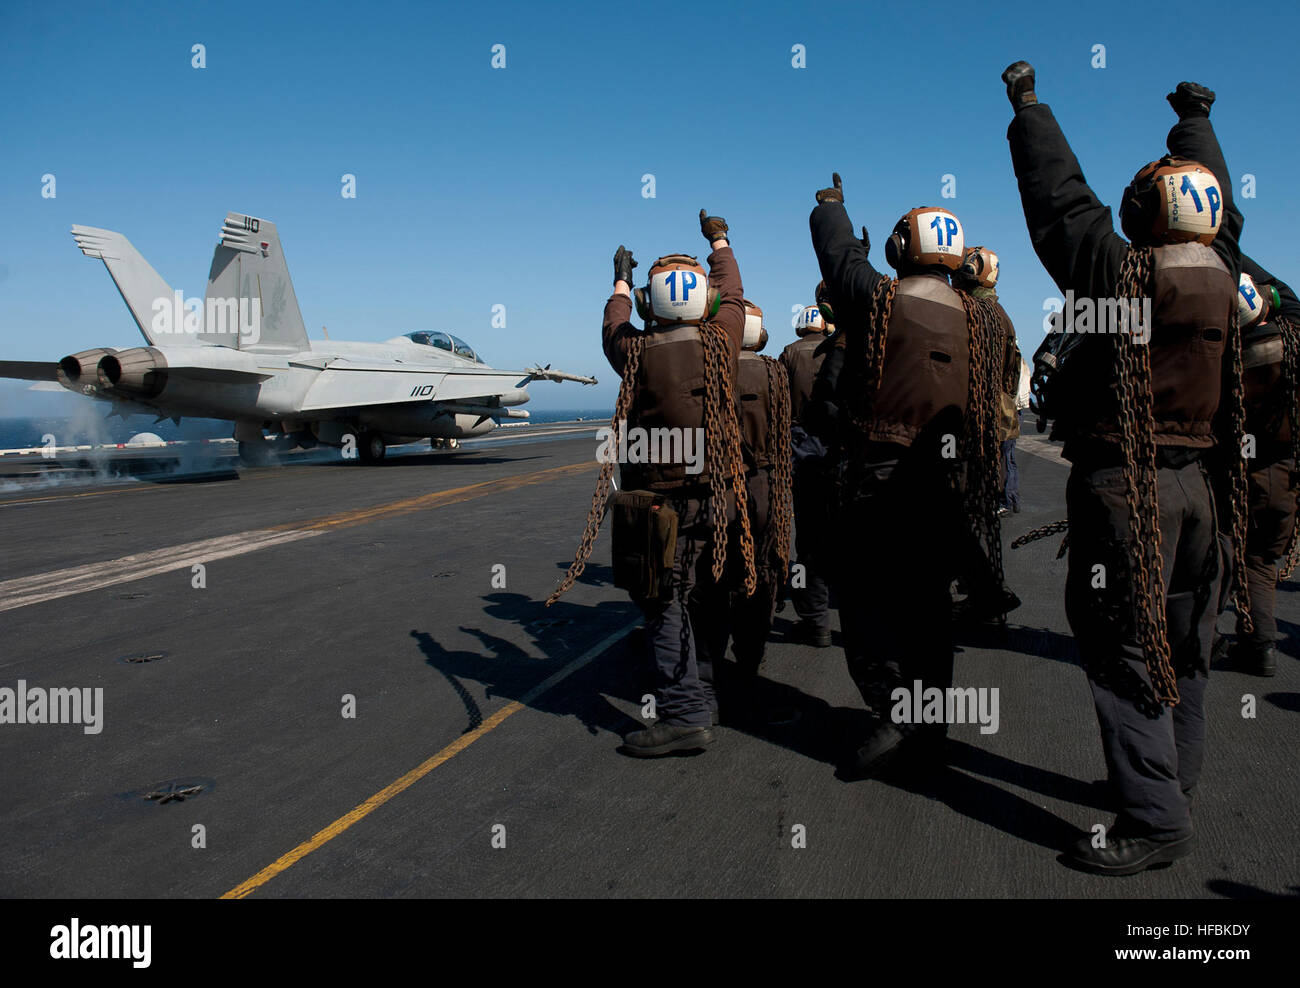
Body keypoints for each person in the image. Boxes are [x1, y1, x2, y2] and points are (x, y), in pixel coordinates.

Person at [1002, 64, 1244, 874]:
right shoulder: (1223, 271)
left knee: (1124, 651)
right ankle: (1170, 782)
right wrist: (1195, 121)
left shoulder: (1121, 275)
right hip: (1200, 490)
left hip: (1126, 489)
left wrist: (1030, 108)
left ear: (1143, 213)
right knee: (1186, 647)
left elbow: (1061, 204)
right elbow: (1221, 206)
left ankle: (1153, 818)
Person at [810, 174, 1002, 778]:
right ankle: (930, 731)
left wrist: (832, 207)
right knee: (929, 611)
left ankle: (894, 713)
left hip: (881, 478)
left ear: (899, 248)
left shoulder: (881, 299)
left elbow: (840, 260)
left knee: (865, 605)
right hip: (946, 484)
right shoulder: (979, 319)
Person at [548, 210, 751, 757]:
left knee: (664, 604)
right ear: (706, 302)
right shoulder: (723, 342)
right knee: (708, 597)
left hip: (661, 506)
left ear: (647, 303)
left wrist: (620, 282)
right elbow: (733, 294)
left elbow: (613, 326)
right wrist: (719, 241)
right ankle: (705, 693)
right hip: (717, 500)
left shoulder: (635, 352)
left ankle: (684, 714)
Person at [702, 302, 793, 704]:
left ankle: (709, 666)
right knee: (760, 570)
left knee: (714, 573)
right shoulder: (775, 372)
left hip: (721, 485)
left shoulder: (713, 368)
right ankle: (750, 656)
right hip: (765, 486)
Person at [1212, 265, 1300, 676]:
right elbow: (1288, 297)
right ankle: (1260, 646)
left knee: (1217, 556)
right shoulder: (1293, 339)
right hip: (1285, 477)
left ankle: (1203, 640)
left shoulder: (1226, 363)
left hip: (1240, 477)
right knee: (1261, 562)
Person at [779, 298, 836, 646]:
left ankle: (815, 619)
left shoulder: (789, 353)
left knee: (808, 539)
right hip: (840, 446)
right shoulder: (841, 346)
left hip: (802, 444)